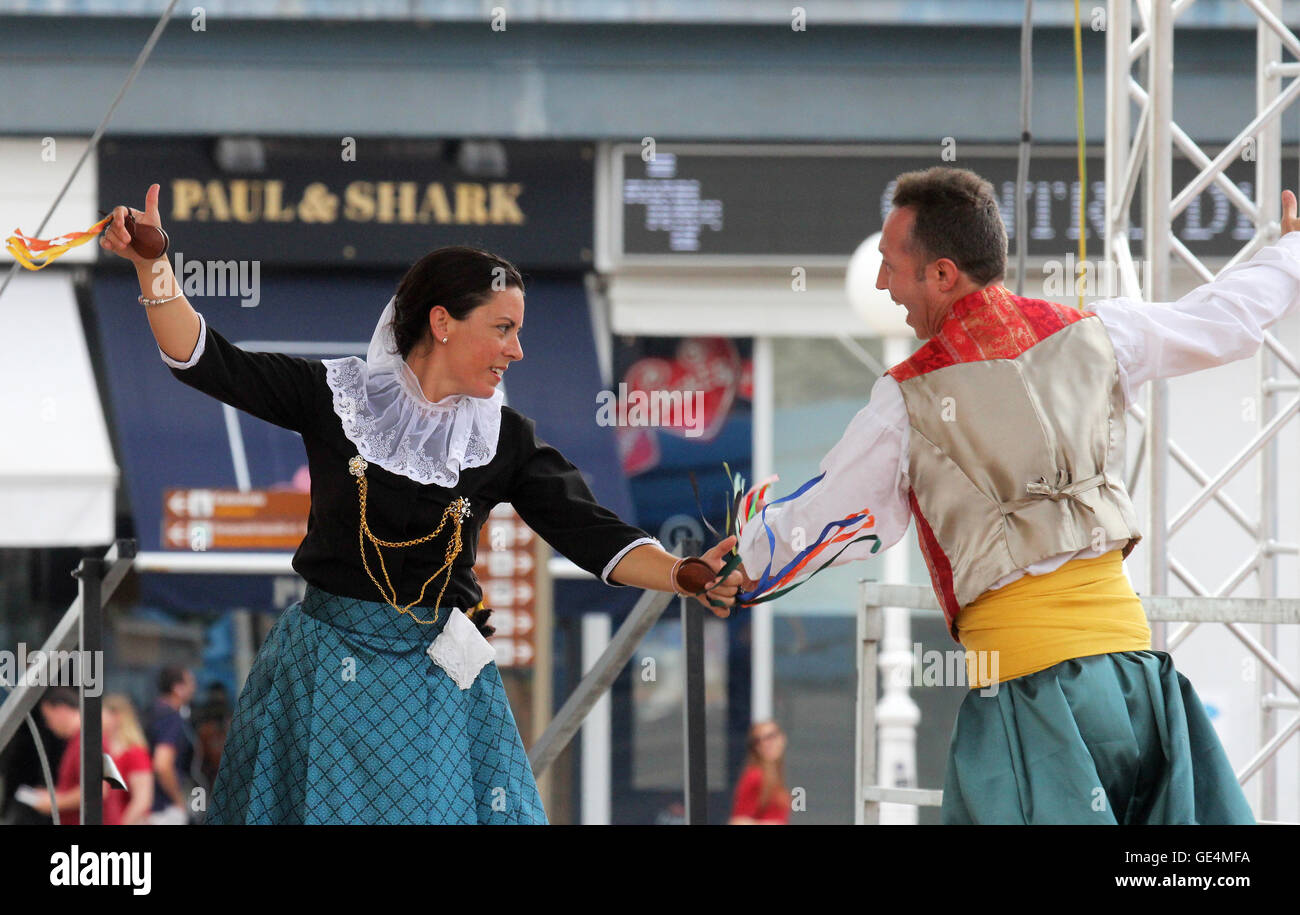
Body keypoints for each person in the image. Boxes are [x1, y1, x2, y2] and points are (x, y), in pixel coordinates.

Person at [100, 185, 744, 825]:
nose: (516, 350)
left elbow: (593, 533)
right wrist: (154, 268)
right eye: (502, 328)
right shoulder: (334, 396)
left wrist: (684, 574)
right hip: (324, 668)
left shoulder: (503, 440)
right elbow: (208, 362)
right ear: (441, 322)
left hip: (437, 683)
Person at [735, 166, 1300, 824]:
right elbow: (1224, 320)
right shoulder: (1097, 333)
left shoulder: (907, 399)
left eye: (892, 265)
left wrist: (736, 563)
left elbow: (823, 518)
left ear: (944, 275)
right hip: (1133, 681)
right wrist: (1290, 251)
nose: (883, 283)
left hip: (1032, 692)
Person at [145, 665, 195, 824]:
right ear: (178, 688)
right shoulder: (170, 717)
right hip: (164, 808)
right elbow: (162, 764)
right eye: (190, 682)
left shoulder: (153, 711)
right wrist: (178, 800)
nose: (194, 687)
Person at [28, 687, 85, 824]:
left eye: (48, 719)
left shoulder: (88, 741)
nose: (49, 726)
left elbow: (98, 789)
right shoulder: (75, 742)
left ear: (61, 710)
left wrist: (55, 802)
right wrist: (52, 795)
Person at [103, 694, 154, 825]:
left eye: (103, 715)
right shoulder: (105, 752)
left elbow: (142, 800)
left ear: (117, 716)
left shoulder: (135, 753)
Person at [729, 720, 790, 825]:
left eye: (770, 736)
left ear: (782, 738)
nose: (766, 744)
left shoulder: (775, 775)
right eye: (758, 741)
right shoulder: (755, 776)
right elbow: (738, 821)